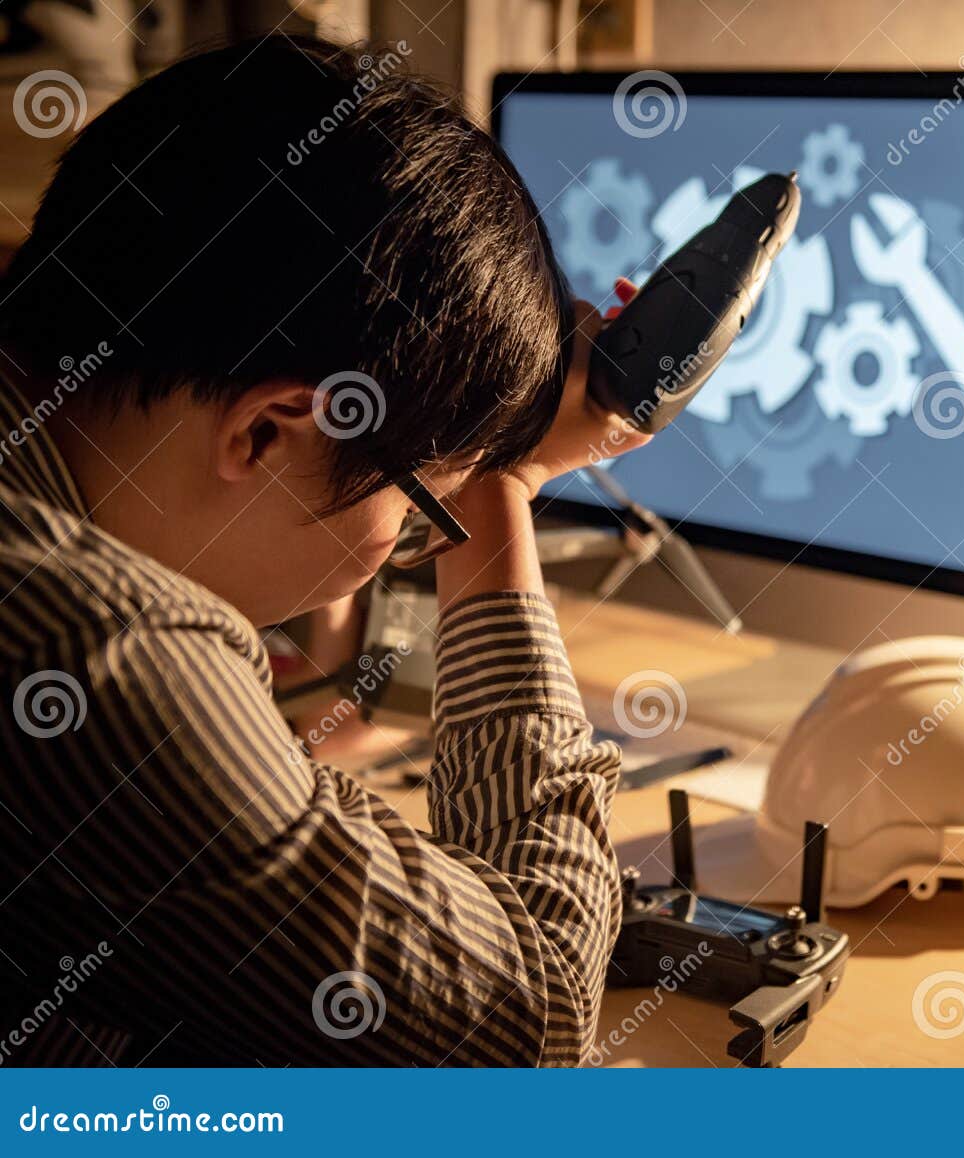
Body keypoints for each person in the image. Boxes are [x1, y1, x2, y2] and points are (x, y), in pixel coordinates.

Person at [0, 35, 650, 1065]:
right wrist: (502, 482)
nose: (404, 552)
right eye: (418, 514)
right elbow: (529, 1018)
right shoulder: (98, 647)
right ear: (265, 430)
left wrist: (451, 448)